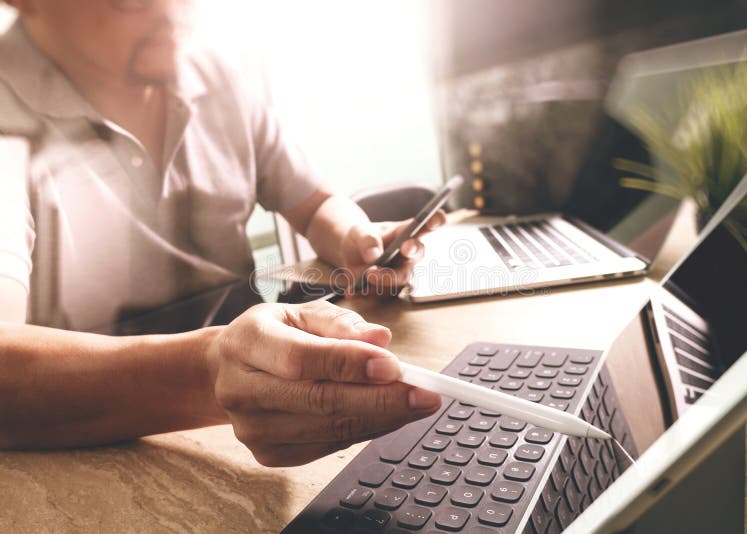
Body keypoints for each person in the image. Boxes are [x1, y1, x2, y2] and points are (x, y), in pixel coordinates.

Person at [0, 0, 444, 467]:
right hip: (93, 453)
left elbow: (315, 204)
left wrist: (355, 238)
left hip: (254, 421)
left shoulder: (215, 70)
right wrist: (212, 372)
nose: (175, 10)